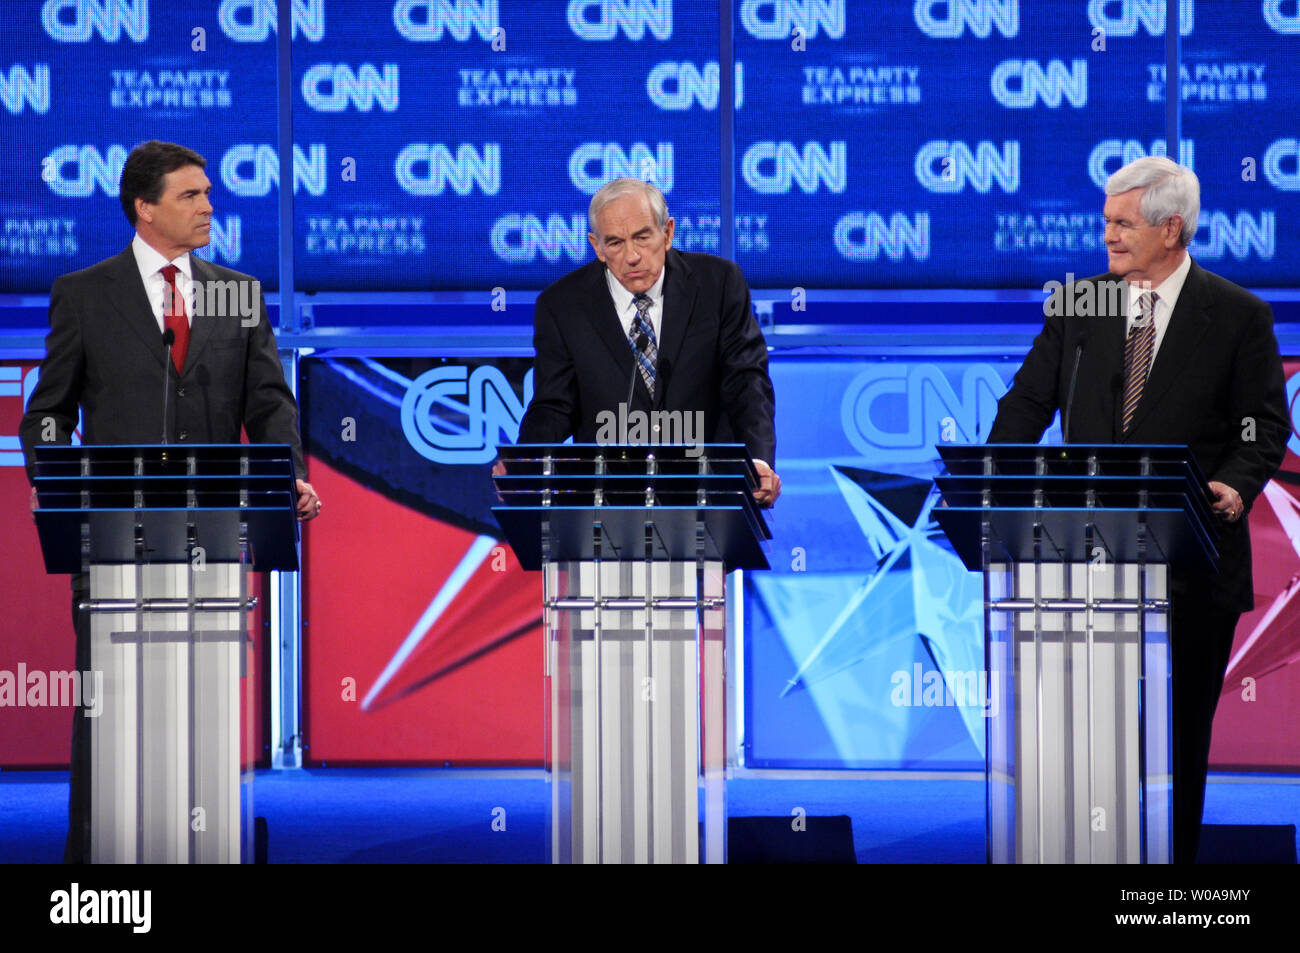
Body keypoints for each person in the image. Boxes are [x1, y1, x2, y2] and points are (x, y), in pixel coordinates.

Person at [19, 139, 321, 862]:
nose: (209, 206)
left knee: (200, 713)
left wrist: (293, 474)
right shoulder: (86, 294)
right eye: (190, 195)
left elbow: (270, 404)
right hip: (113, 543)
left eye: (209, 193)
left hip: (207, 541)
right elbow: (47, 413)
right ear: (144, 207)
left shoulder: (237, 293)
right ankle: (96, 871)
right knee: (110, 715)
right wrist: (59, 481)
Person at [987, 155, 1289, 863]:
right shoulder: (1080, 304)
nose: (1109, 237)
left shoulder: (1237, 314)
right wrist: (995, 474)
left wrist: (1235, 484)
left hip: (1194, 560)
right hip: (1085, 564)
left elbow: (1263, 426)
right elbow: (1027, 402)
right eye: (1106, 222)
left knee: (1177, 738)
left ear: (1171, 229)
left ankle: (1168, 884)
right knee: (1092, 740)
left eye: (1124, 224)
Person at [510, 177, 780, 505]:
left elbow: (746, 383)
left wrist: (758, 463)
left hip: (708, 498)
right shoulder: (562, 305)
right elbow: (554, 405)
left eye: (642, 237)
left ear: (666, 233)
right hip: (607, 506)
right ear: (596, 247)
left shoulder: (718, 285)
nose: (632, 256)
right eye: (615, 243)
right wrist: (524, 465)